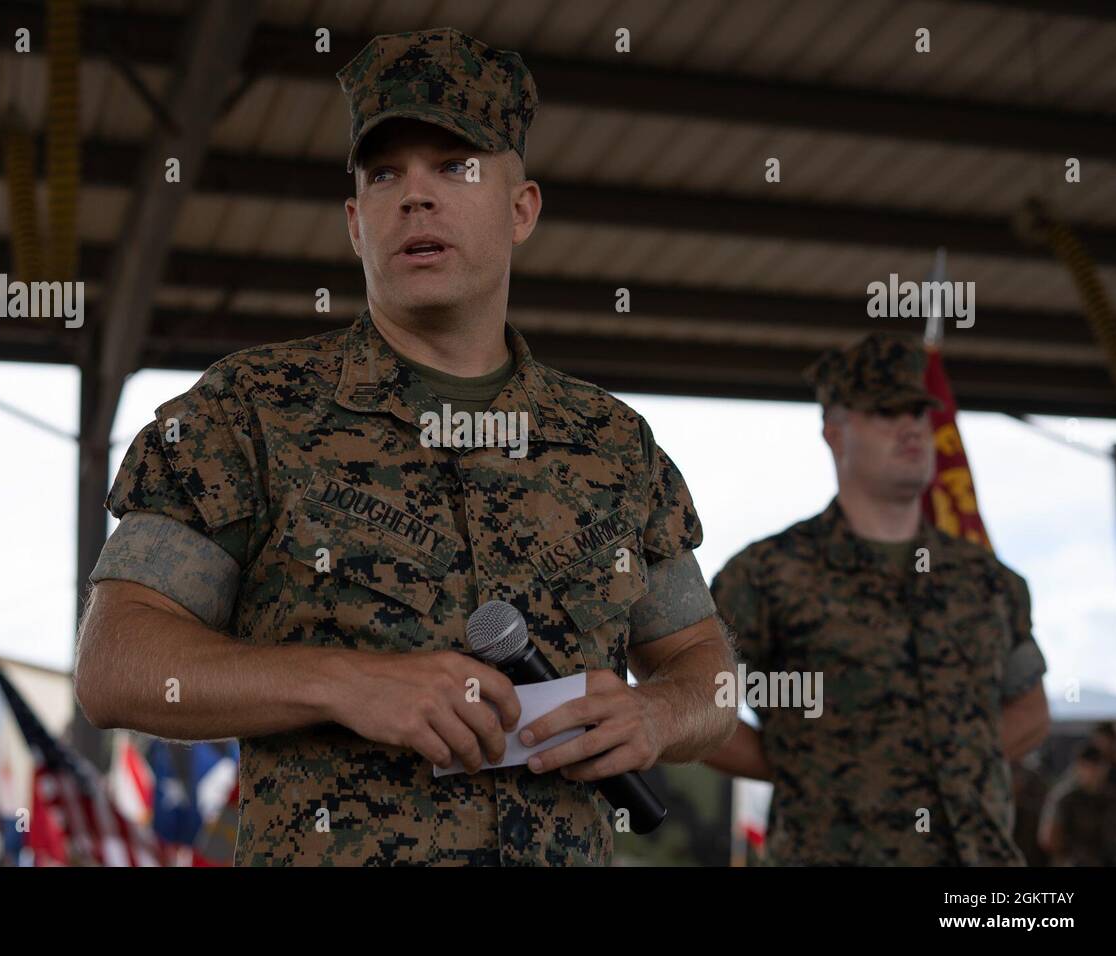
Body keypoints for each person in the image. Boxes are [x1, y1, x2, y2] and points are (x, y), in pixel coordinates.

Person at [75, 27, 736, 866]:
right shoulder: (247, 414)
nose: (414, 198)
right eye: (384, 175)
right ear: (356, 224)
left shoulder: (612, 445)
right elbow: (116, 664)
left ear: (521, 208)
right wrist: (341, 681)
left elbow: (703, 663)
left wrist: (659, 715)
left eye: (454, 166)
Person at [707, 332, 1051, 865]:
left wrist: (951, 766)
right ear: (835, 434)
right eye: (885, 412)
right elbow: (696, 706)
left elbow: (1030, 708)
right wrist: (810, 770)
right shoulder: (766, 574)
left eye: (918, 411)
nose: (912, 427)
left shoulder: (989, 580)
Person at [1039, 744, 1116, 866]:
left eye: (1098, 767)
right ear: (1078, 766)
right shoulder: (1064, 797)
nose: (1093, 772)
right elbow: (1049, 839)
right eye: (1089, 767)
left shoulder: (1112, 798)